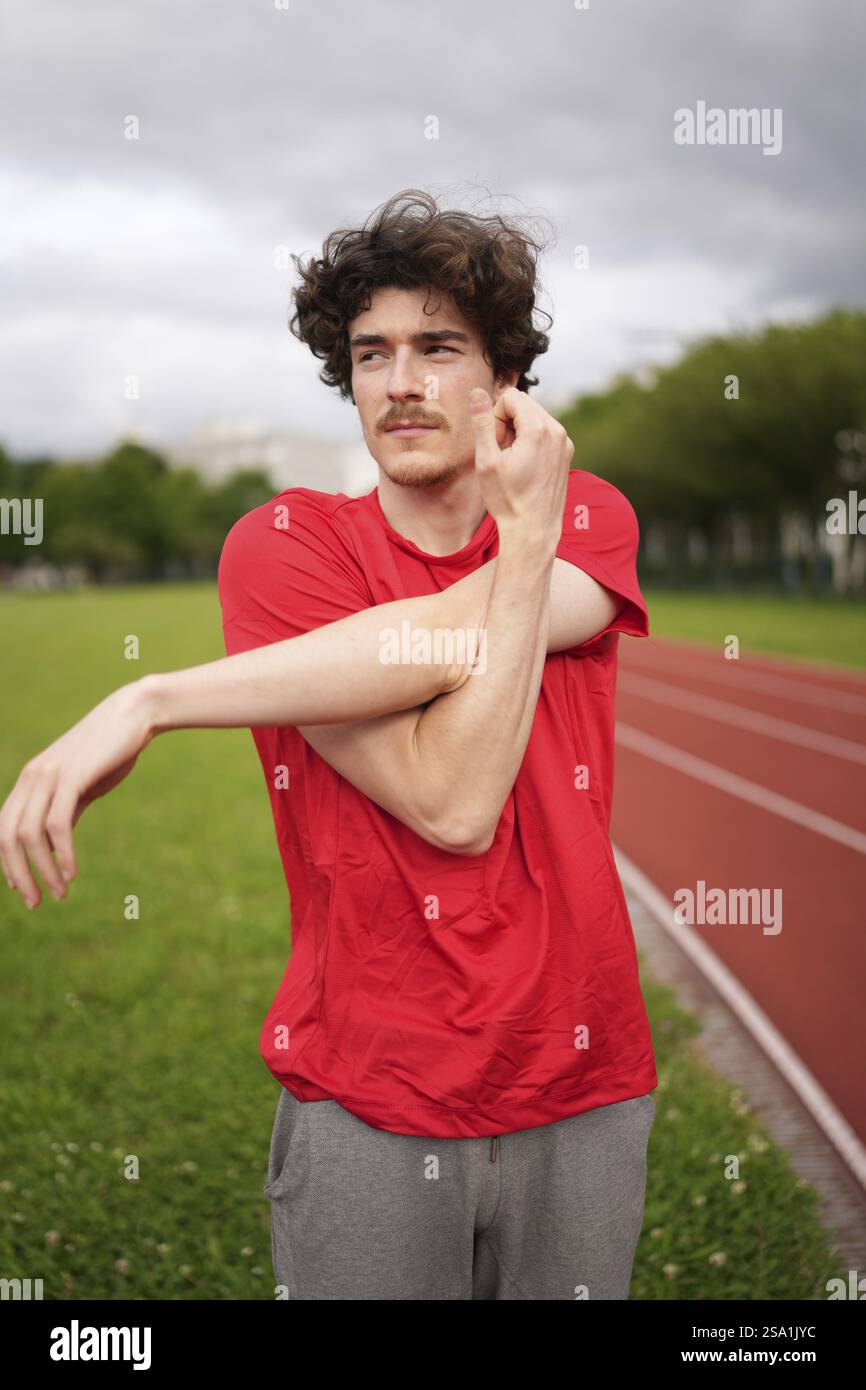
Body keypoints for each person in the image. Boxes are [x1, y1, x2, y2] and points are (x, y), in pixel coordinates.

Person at [0, 188, 657, 1301]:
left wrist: (152, 699)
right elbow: (451, 799)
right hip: (371, 1089)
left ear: (505, 378)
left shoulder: (581, 511)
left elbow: (438, 648)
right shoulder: (284, 548)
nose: (400, 383)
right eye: (369, 354)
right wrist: (153, 694)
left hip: (583, 1076)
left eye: (439, 348)